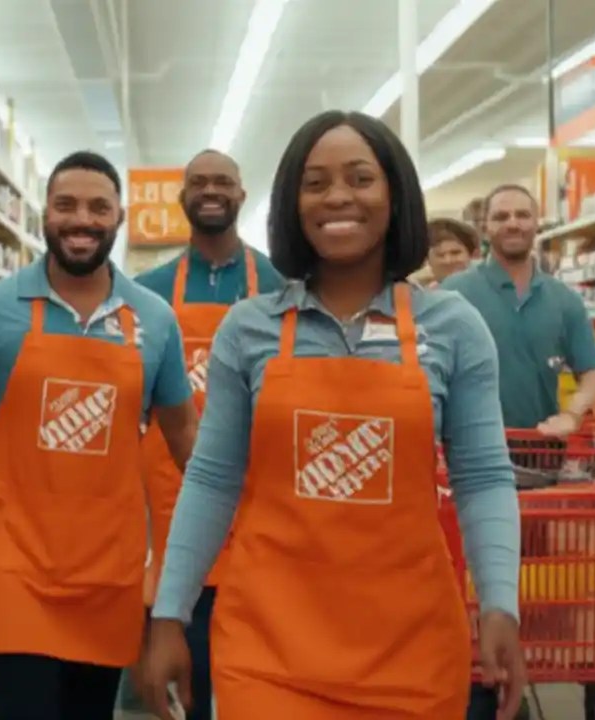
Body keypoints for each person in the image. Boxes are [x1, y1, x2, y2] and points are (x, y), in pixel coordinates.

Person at [137, 110, 525, 720]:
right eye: (314, 183)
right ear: (292, 204)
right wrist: (169, 614)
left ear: (395, 195)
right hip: (266, 648)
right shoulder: (250, 328)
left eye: (360, 178)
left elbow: (482, 478)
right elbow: (211, 479)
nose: (338, 196)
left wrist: (502, 602)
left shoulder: (451, 328)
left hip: (412, 647)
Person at [0, 150, 199, 720]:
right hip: (10, 558)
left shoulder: (155, 321)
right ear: (44, 216)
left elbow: (186, 442)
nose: (82, 219)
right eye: (66, 205)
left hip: (108, 565)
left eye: (98, 207)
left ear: (119, 218)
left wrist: (233, 539)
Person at [131, 149, 283, 720]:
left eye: (223, 181)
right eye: (199, 182)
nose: (211, 190)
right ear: (183, 197)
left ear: (242, 195)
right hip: (174, 511)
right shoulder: (146, 293)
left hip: (262, 508)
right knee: (183, 684)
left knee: (257, 680)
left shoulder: (279, 285)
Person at [441, 184, 595, 437]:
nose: (512, 224)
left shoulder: (564, 300)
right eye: (501, 217)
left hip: (541, 450)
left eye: (522, 215)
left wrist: (571, 415)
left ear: (536, 224)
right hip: (467, 453)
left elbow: (593, 370)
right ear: (484, 228)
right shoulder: (454, 294)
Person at [426, 217, 480, 283]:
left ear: (474, 255)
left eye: (455, 253)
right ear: (428, 261)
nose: (448, 261)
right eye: (440, 255)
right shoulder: (420, 292)